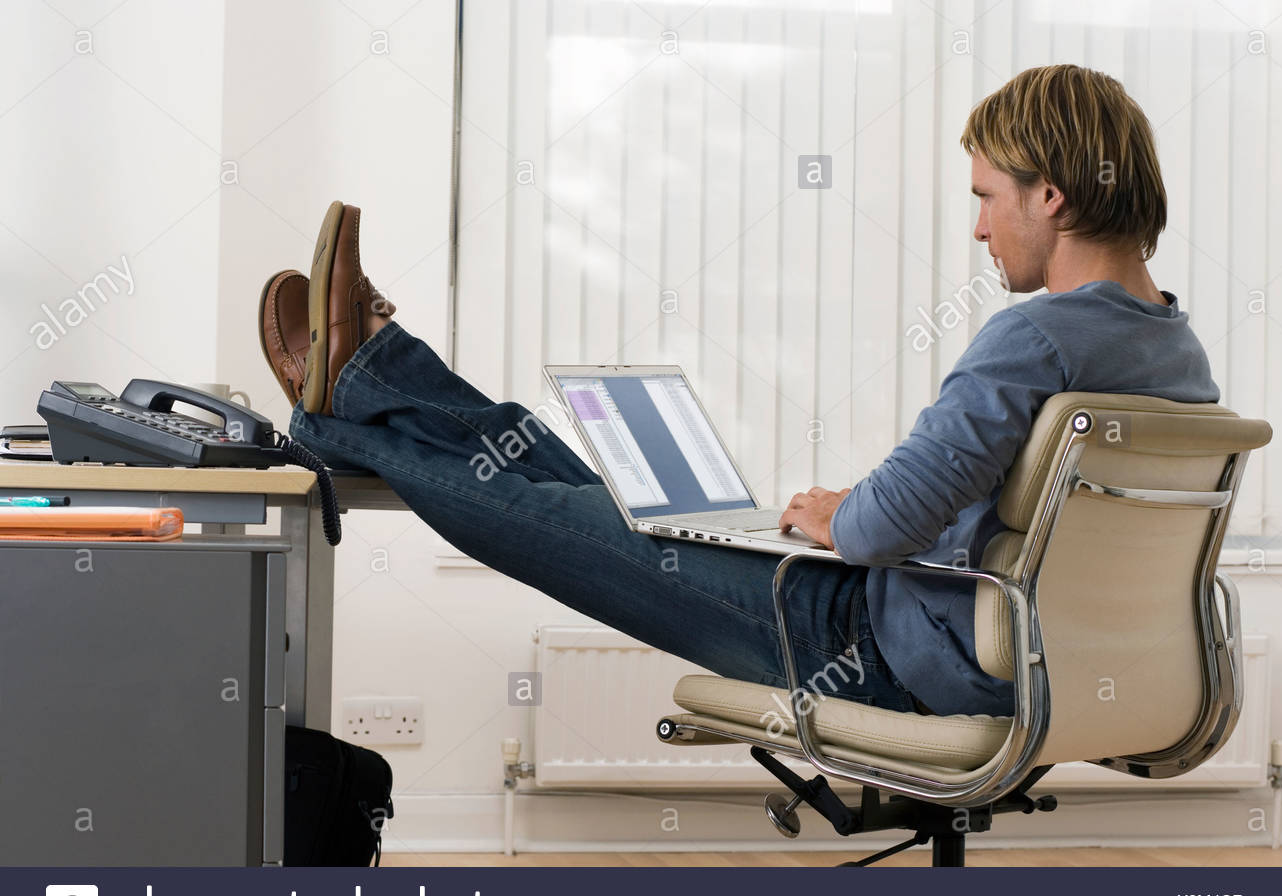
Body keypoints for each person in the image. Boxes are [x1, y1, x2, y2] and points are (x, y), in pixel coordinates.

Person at [258, 65, 1218, 719]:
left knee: (541, 516)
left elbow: (883, 525)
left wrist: (845, 510)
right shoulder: (1179, 355)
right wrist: (870, 519)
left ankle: (337, 405)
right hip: (1023, 661)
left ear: (1050, 194)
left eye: (985, 197)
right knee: (567, 481)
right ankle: (374, 366)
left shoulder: (1033, 339)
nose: (978, 230)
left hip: (872, 644)